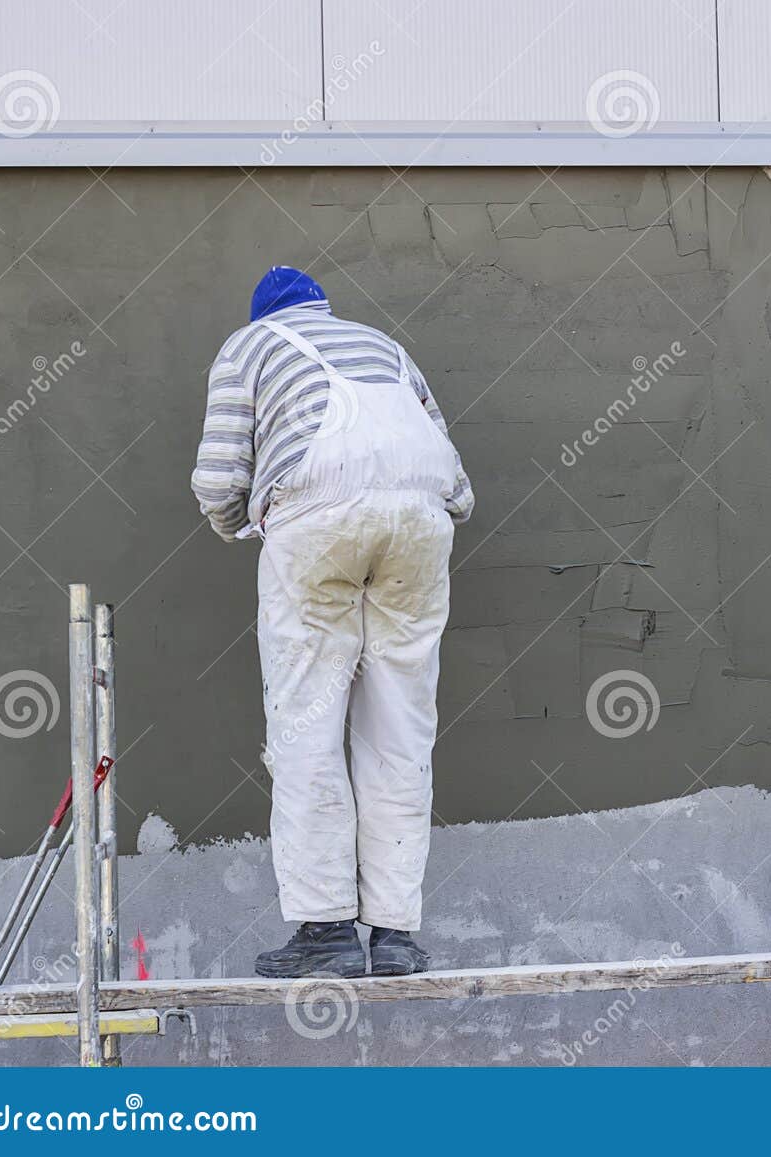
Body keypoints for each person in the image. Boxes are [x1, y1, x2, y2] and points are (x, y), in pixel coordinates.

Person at [192, 266, 474, 976]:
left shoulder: (249, 348)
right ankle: (394, 935)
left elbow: (221, 479)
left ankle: (325, 932)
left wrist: (243, 524)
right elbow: (459, 486)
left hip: (317, 516)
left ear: (264, 316)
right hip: (421, 521)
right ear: (324, 308)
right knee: (400, 728)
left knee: (305, 725)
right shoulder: (384, 346)